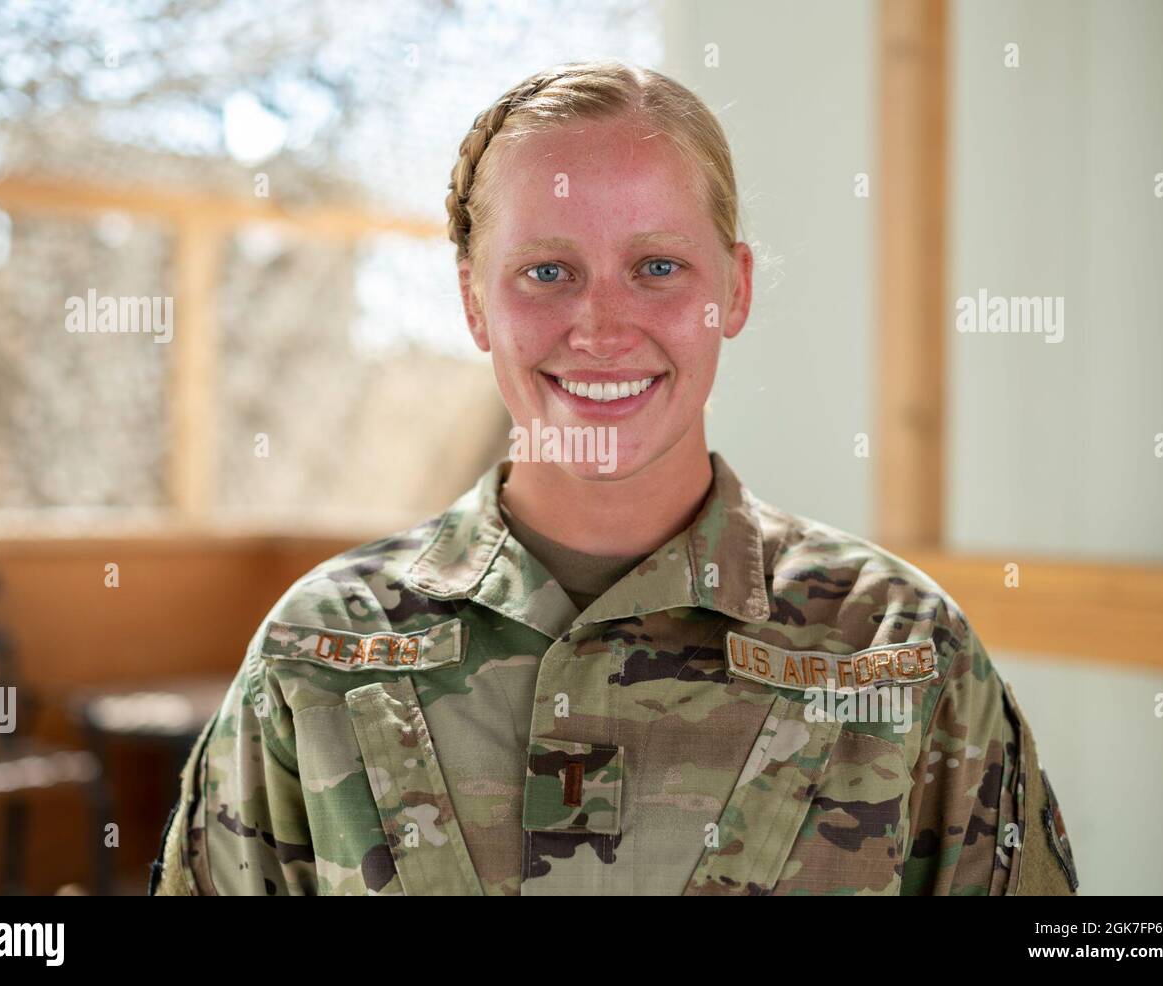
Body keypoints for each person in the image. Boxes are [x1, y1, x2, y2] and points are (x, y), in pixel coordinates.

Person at [150, 59, 1078, 896]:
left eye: (658, 266)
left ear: (736, 289)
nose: (600, 328)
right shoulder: (322, 652)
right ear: (473, 301)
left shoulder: (900, 651)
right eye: (547, 271)